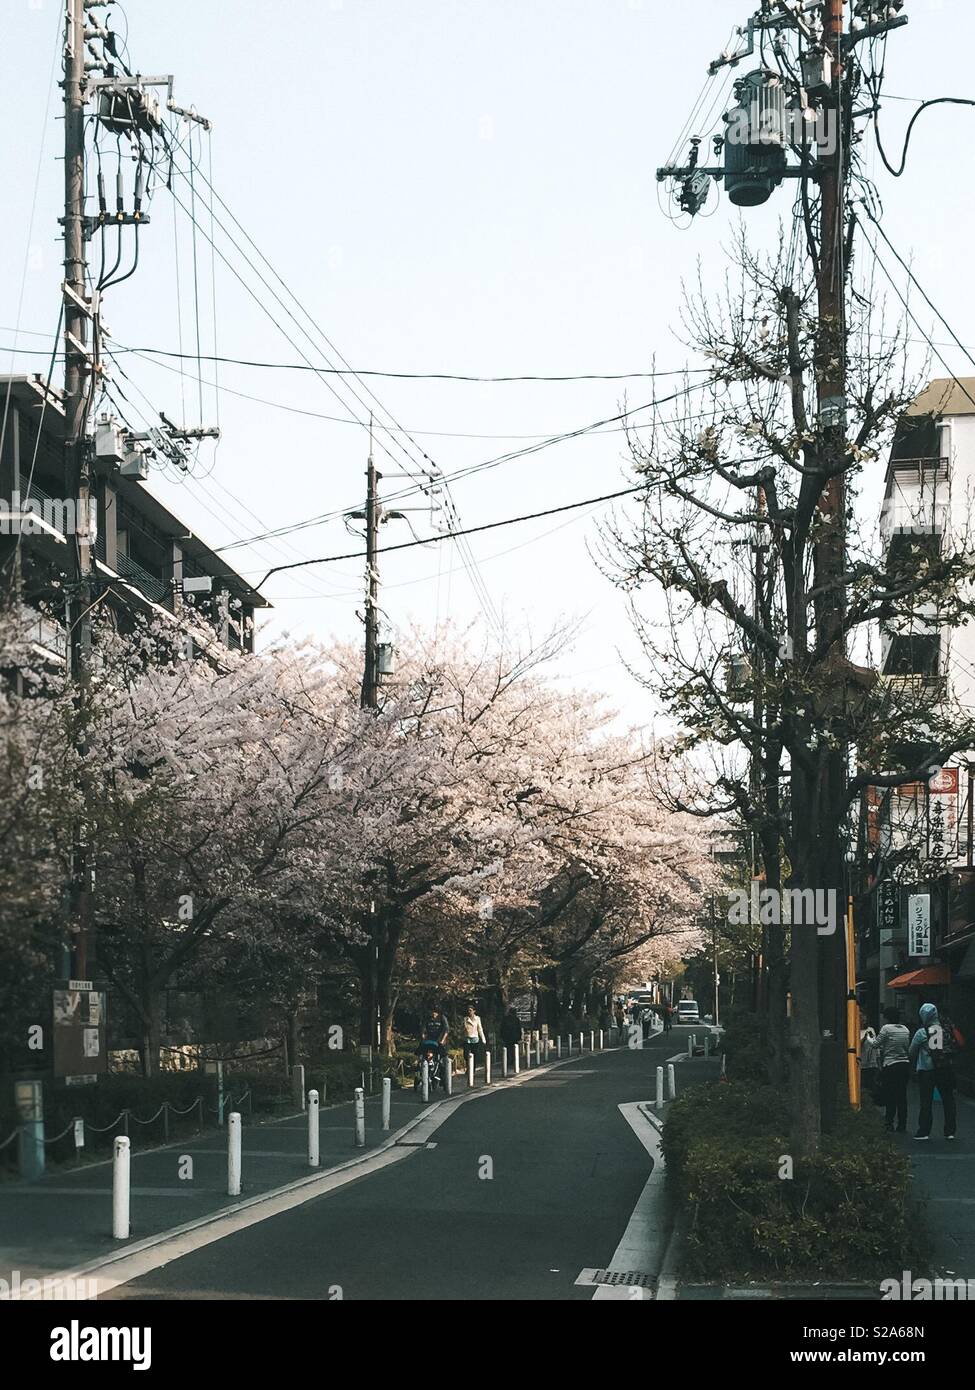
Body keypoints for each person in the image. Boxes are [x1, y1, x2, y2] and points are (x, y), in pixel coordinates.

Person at [909, 1002, 960, 1140]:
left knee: (926, 1101)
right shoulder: (945, 1028)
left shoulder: (922, 1032)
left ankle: (924, 1131)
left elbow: (911, 1051)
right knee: (948, 1099)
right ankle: (950, 1131)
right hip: (945, 1068)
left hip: (927, 1071)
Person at [876, 1005, 911, 1133]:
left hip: (890, 1065)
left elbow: (875, 1044)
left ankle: (889, 1122)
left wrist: (868, 1037)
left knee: (890, 1095)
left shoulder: (886, 1029)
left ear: (887, 1017)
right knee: (902, 1096)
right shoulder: (905, 1029)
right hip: (904, 1065)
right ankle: (902, 1124)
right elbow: (908, 1047)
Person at [462, 1002, 487, 1066]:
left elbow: (480, 1029)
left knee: (474, 1054)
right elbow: (462, 1028)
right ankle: (468, 1066)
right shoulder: (465, 1019)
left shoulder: (477, 1018)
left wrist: (483, 1038)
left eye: (470, 1010)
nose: (469, 1012)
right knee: (466, 1054)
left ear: (474, 1011)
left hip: (475, 1038)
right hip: (467, 1038)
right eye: (468, 1010)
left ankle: (473, 1067)